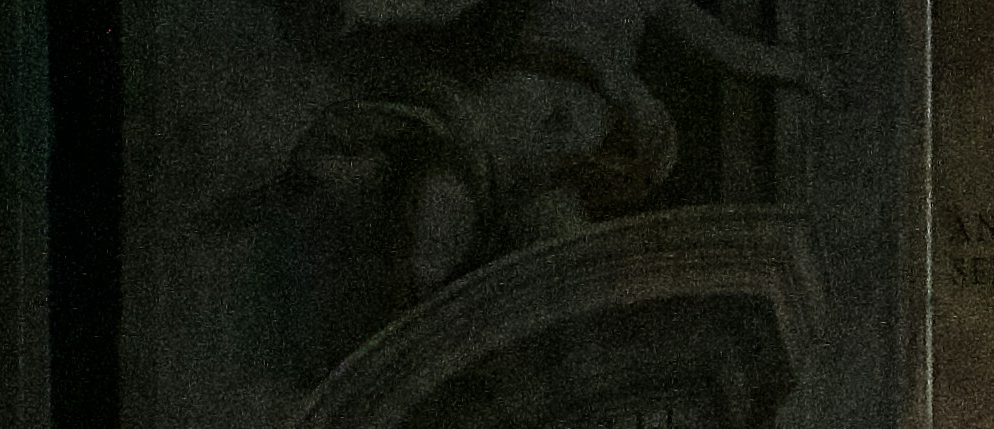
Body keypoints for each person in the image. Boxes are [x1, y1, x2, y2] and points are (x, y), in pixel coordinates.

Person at [292, 0, 832, 303]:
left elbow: (728, 49)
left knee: (566, 297)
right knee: (427, 263)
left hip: (552, 181)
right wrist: (364, 14)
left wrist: (805, 72)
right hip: (488, 138)